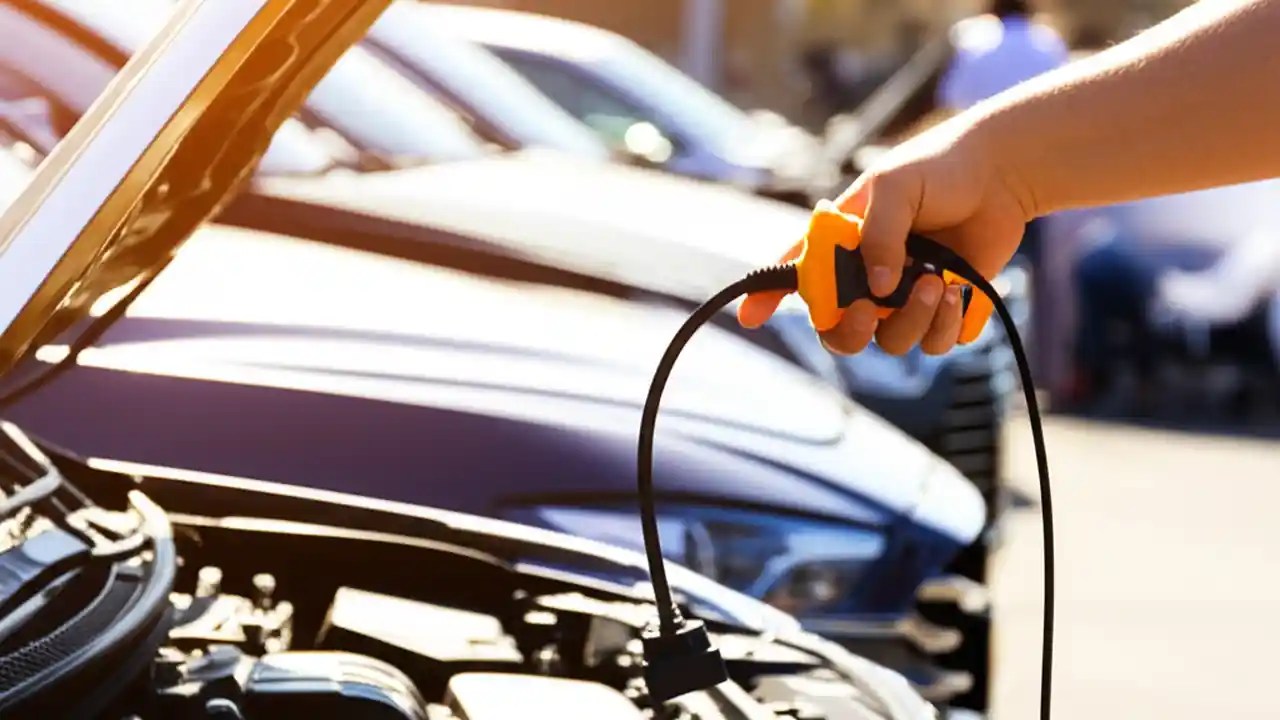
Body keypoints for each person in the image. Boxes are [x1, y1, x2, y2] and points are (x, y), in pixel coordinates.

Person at [739, 0, 1280, 361]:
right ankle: (1050, 369)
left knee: (972, 295)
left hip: (1023, 189)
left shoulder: (975, 41)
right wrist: (1000, 170)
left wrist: (989, 163)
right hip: (1041, 198)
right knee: (1031, 288)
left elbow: (944, 107)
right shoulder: (1045, 42)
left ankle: (1005, 362)